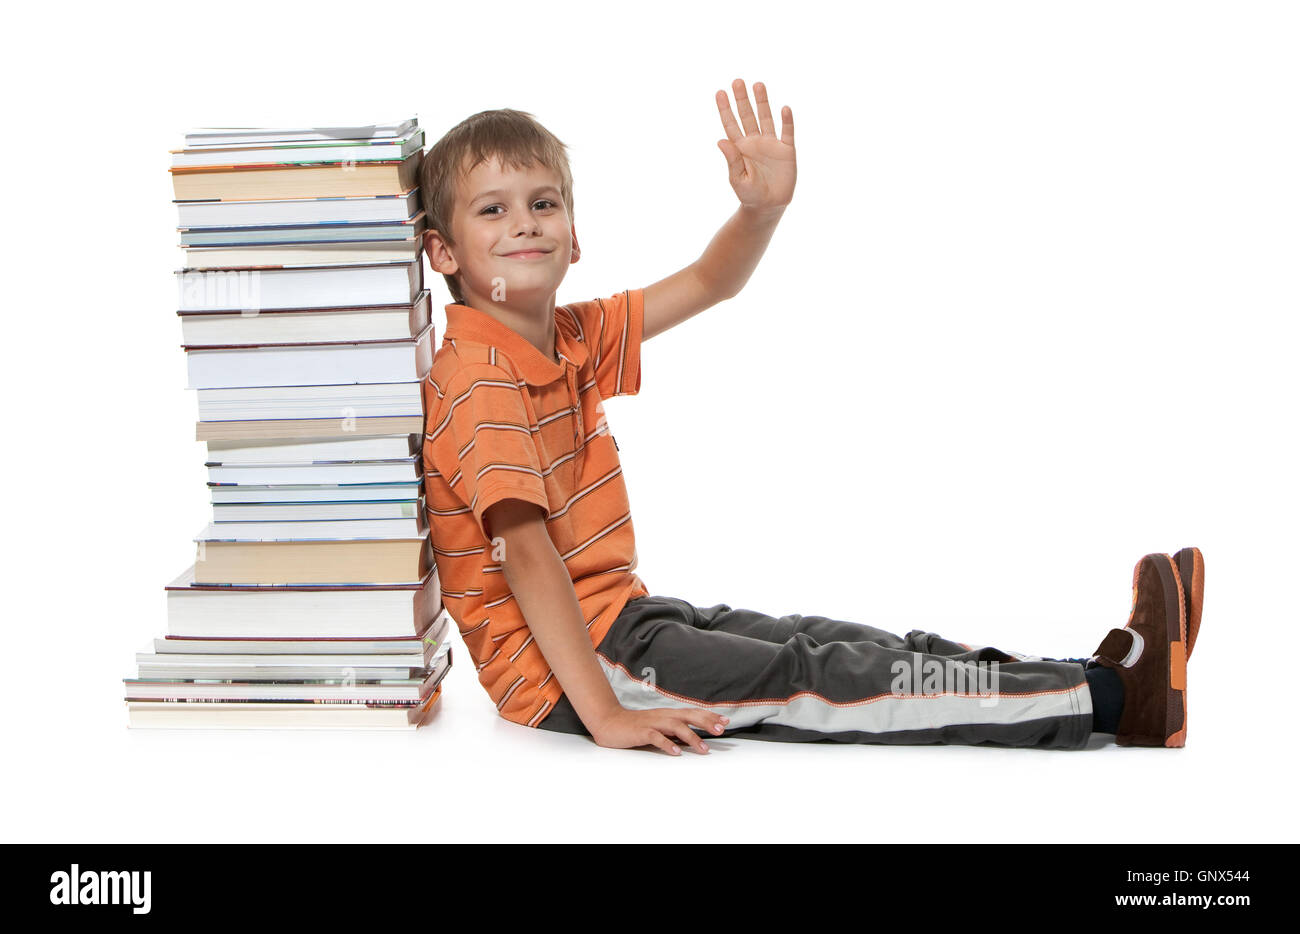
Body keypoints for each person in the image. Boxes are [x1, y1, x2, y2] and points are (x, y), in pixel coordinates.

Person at [418, 79, 1203, 755]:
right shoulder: (478, 378)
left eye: (543, 203)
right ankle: (1111, 703)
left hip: (622, 618)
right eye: (493, 209)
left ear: (574, 235)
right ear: (444, 253)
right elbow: (524, 554)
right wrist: (605, 714)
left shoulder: (571, 335)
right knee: (816, 676)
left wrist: (761, 211)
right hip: (573, 671)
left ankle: (1096, 677)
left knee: (831, 637)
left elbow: (709, 282)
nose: (524, 223)